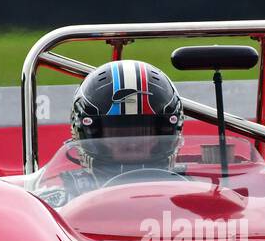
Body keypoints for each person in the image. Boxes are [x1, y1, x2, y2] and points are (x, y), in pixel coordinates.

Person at [53, 59, 186, 198]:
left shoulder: (192, 193)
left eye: (142, 133)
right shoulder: (61, 201)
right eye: (118, 134)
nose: (132, 144)